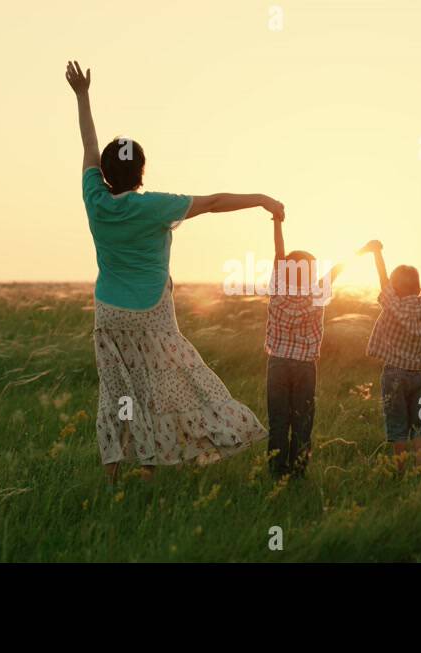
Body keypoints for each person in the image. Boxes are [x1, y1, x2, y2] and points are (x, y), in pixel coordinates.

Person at [65, 60, 283, 481]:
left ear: (106, 173)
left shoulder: (94, 198)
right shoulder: (154, 205)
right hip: (152, 313)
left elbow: (88, 146)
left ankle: (116, 480)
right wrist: (261, 198)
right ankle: (162, 462)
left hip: (108, 312)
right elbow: (215, 202)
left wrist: (82, 96)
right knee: (166, 388)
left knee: (115, 395)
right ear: (141, 172)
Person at [264, 215, 350, 479]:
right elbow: (337, 269)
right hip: (305, 367)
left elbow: (279, 253)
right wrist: (361, 251)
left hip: (278, 364)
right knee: (302, 422)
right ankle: (299, 473)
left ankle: (277, 473)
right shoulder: (318, 292)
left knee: (278, 422)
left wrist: (277, 222)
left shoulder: (277, 287)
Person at [359, 240, 421, 471]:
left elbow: (382, 279)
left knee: (397, 424)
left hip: (393, 376)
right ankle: (420, 468)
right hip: (419, 377)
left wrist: (377, 253)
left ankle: (400, 472)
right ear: (417, 287)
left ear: (394, 287)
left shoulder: (393, 305)